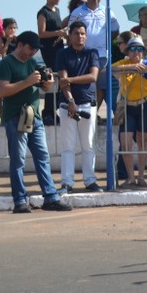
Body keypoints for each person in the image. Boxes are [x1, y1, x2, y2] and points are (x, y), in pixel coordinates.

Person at [0, 30, 73, 214]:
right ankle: (20, 200)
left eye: (34, 50)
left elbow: (43, 88)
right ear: (20, 44)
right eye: (30, 49)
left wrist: (46, 83)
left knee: (42, 158)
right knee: (18, 160)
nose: (32, 53)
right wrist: (28, 81)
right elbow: (2, 91)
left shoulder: (32, 63)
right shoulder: (6, 63)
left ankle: (50, 196)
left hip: (34, 116)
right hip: (15, 116)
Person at [54, 20, 101, 194]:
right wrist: (70, 100)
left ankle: (90, 180)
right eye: (76, 33)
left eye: (82, 33)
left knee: (88, 145)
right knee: (68, 146)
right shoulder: (62, 54)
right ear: (70, 35)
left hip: (88, 104)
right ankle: (67, 182)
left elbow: (93, 76)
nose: (80, 36)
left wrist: (72, 80)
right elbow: (62, 79)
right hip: (68, 105)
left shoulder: (92, 53)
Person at [113, 36, 147, 188]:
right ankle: (130, 177)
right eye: (132, 49)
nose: (136, 53)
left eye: (139, 49)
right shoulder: (123, 63)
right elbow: (110, 69)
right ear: (127, 51)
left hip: (145, 105)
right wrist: (130, 68)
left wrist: (141, 68)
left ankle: (141, 176)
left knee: (142, 141)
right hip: (127, 106)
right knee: (126, 142)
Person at [69, 0, 121, 113]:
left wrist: (104, 41)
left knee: (101, 86)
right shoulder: (77, 12)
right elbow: (70, 32)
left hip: (102, 55)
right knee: (86, 84)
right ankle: (84, 111)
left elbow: (115, 29)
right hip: (83, 54)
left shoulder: (107, 11)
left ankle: (94, 112)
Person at [36, 0, 67, 124]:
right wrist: (57, 33)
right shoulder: (43, 12)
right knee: (52, 78)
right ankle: (47, 111)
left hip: (59, 47)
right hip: (49, 49)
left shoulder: (58, 10)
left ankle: (53, 110)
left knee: (59, 79)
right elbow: (41, 33)